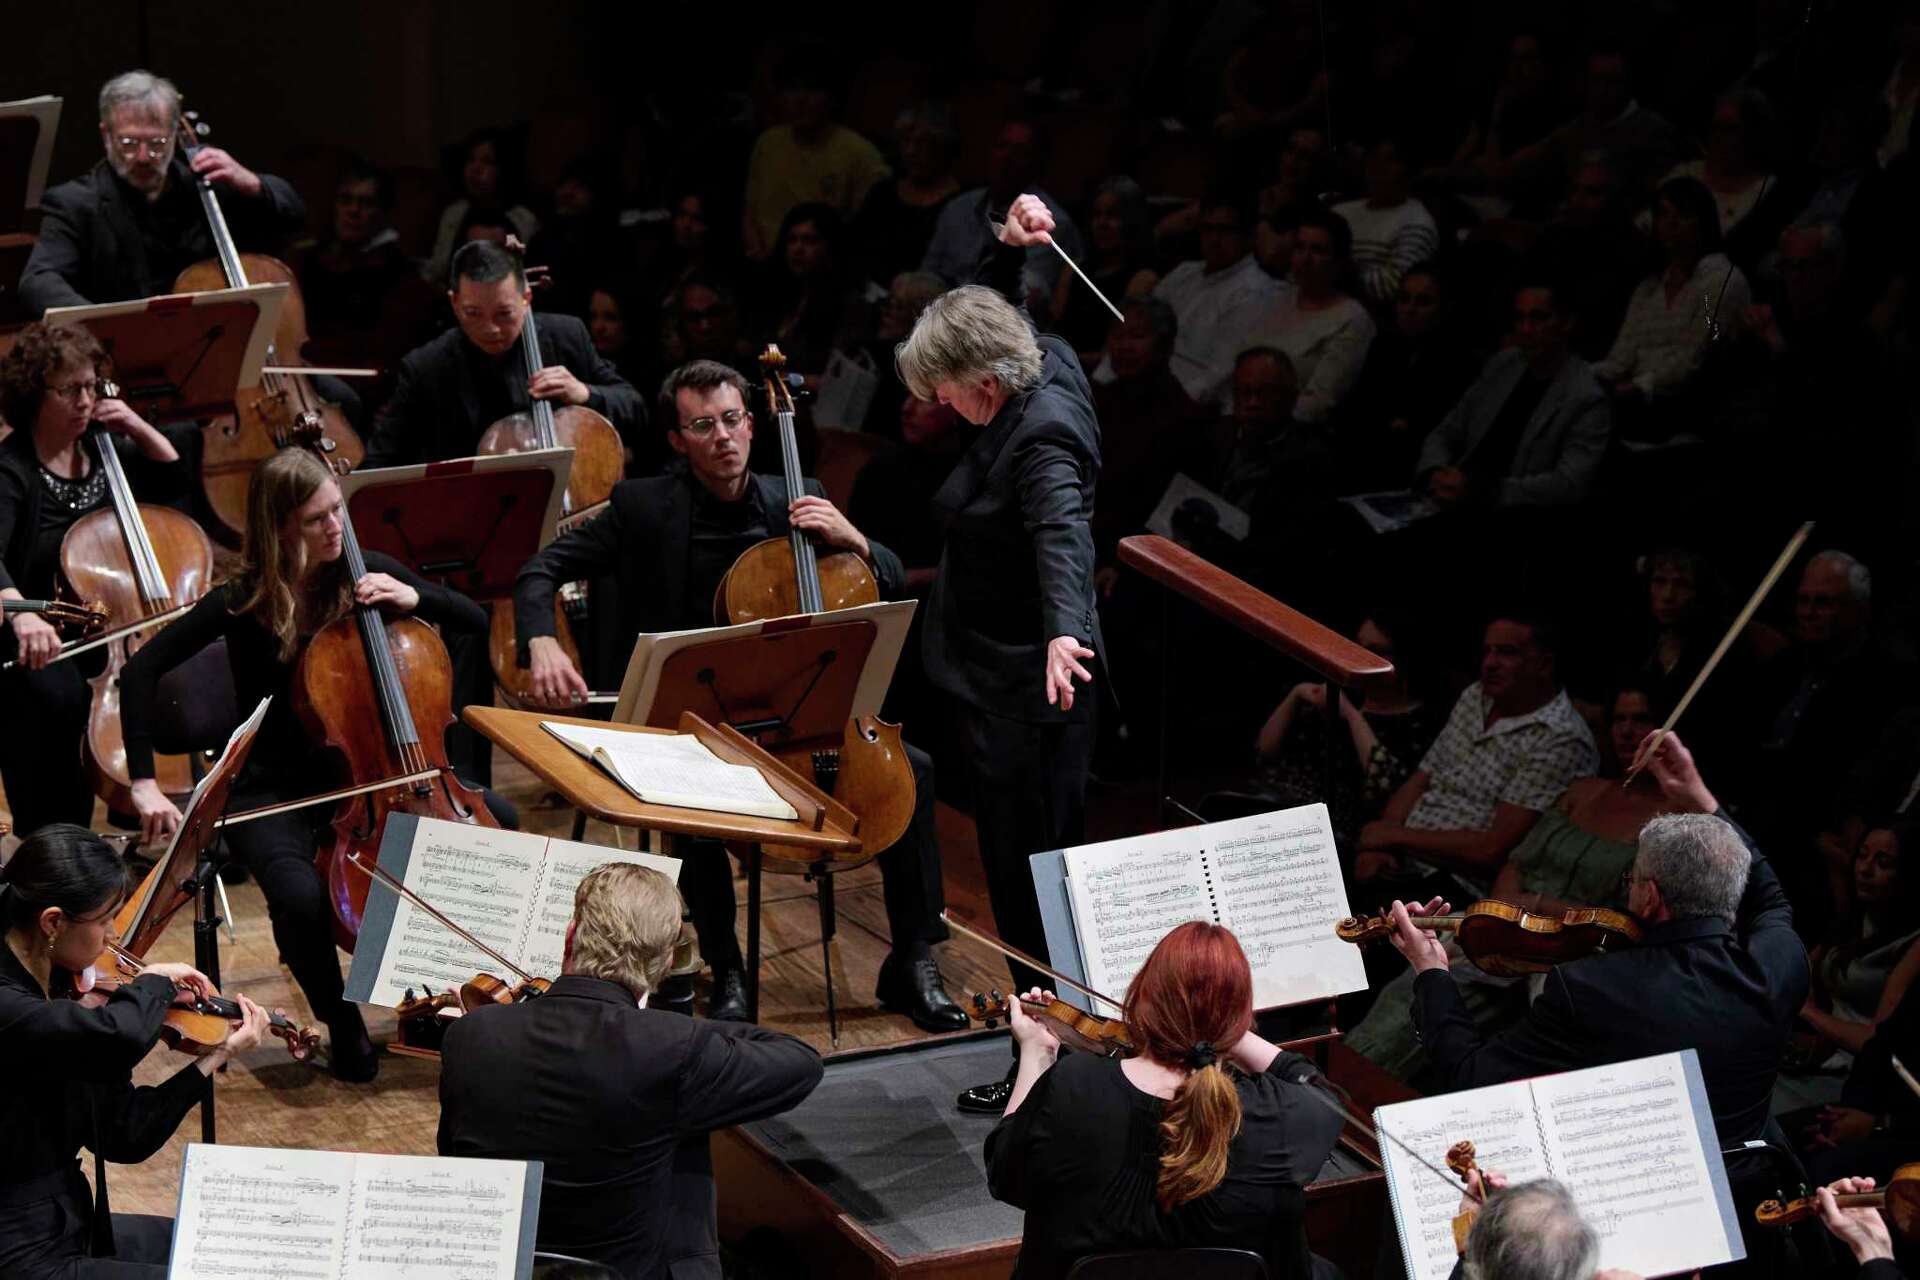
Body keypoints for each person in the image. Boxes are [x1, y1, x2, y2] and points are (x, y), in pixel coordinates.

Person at [511, 360, 965, 1032]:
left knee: (914, 773)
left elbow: (890, 585)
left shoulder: (799, 497)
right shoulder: (644, 507)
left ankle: (913, 958)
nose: (722, 436)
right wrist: (539, 641)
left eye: (731, 420)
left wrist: (858, 541)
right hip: (702, 726)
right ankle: (725, 965)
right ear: (677, 440)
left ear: (753, 426)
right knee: (691, 805)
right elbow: (541, 566)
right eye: (702, 425)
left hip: (800, 717)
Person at [116, 447, 500, 1082]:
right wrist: (144, 781)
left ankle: (458, 1002)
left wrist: (411, 594)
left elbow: (474, 619)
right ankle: (340, 1020)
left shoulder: (366, 574)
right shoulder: (243, 602)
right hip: (273, 792)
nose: (336, 528)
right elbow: (140, 671)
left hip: (374, 781)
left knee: (494, 827)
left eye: (338, 509)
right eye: (319, 518)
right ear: (282, 526)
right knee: (298, 894)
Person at [894, 194, 1103, 1110]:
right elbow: (998, 315)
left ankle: (1050, 1052)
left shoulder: (1046, 433)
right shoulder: (1038, 357)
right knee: (1016, 871)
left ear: (983, 383)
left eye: (945, 392)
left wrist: (1068, 628)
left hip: (1030, 684)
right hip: (982, 660)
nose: (939, 407)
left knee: (1029, 885)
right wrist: (1010, 250)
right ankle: (1046, 1038)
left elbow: (1064, 530)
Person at [1386, 731, 1809, 1154]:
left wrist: (1432, 971)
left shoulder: (1591, 988)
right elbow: (1768, 890)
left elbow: (1472, 1077)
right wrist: (1697, 793)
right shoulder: (1777, 964)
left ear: (1650, 896)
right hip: (1747, 1185)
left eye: (1633, 879)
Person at [438, 862, 822, 1279]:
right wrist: (677, 1028)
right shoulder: (669, 1047)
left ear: (570, 937)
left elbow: (454, 1156)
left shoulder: (469, 1034)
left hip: (502, 1264)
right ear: (662, 965)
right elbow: (802, 1063)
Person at [1347, 683, 1675, 1081]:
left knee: (1550, 1017)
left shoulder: (1673, 821)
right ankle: (1348, 1082)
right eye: (1619, 719)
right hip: (1511, 919)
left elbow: (1629, 916)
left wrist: (1536, 905)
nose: (1626, 731)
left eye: (1640, 720)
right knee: (1418, 984)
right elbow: (1517, 858)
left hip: (1582, 953)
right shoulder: (1583, 791)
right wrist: (1505, 907)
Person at [985, 922, 1343, 1280]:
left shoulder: (1074, 1084)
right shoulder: (1277, 1114)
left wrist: (1037, 1051)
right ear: (1241, 1020)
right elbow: (1313, 1085)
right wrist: (1226, 1030)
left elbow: (1005, 1173)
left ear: (1141, 997)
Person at [0, 824, 269, 1278]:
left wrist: (214, 1057)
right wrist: (154, 983)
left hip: (70, 1218)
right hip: (20, 1248)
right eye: (105, 922)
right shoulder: (13, 1007)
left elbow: (125, 1133)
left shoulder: (60, 990)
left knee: (217, 1254)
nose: (111, 941)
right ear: (52, 922)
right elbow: (116, 1037)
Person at [0, 322, 189, 835]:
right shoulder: (12, 470)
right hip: (38, 636)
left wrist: (135, 424)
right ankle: (53, 837)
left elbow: (175, 485)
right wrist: (22, 614)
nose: (85, 401)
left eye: (92, 386)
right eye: (70, 389)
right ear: (34, 394)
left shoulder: (105, 453)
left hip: (108, 628)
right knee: (58, 696)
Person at [1353, 613, 1598, 900]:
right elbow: (1421, 779)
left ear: (1543, 664)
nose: (1490, 663)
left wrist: (1390, 836)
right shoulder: (1476, 695)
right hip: (1401, 860)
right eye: (1487, 651)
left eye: (1507, 653)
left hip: (1457, 885)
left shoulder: (1560, 737)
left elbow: (1491, 850)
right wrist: (1378, 848)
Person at [19, 70, 305, 314]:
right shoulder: (75, 204)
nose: (143, 157)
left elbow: (294, 216)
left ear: (173, 135)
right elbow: (38, 281)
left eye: (157, 143)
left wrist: (253, 183)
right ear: (105, 135)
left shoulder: (207, 183)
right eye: (128, 143)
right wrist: (103, 328)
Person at [363, 239, 645, 467]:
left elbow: (635, 409)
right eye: (473, 313)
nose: (491, 329)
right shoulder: (426, 367)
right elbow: (382, 459)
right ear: (455, 302)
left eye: (504, 313)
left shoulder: (566, 336)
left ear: (527, 299)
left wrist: (584, 393)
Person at [1415, 280, 1611, 511]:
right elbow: (1448, 429)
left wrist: (1481, 491)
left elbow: (1569, 484)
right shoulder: (1503, 365)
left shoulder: (1586, 397)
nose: (1526, 329)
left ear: (1567, 322)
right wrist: (1435, 471)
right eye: (1520, 319)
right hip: (1455, 497)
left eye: (1537, 318)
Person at [1592, 177, 1751, 439]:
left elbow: (1694, 359)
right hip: (1633, 401)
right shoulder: (1648, 289)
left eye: (1683, 215)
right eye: (1663, 214)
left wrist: (1636, 387)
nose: (1671, 224)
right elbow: (1620, 359)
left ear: (1703, 221)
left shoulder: (1719, 282)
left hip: (1689, 407)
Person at [1099, 191, 1278, 409]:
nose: (1214, 239)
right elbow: (1131, 329)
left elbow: (1219, 373)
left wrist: (1169, 407)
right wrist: (1099, 384)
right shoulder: (1184, 273)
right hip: (1135, 392)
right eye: (1208, 229)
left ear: (1249, 236)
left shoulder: (1255, 291)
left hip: (1192, 408)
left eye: (1225, 230)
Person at [920, 120, 1082, 314]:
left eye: (1020, 152)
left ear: (1037, 164)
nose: (1006, 157)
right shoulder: (959, 207)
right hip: (942, 311)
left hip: (999, 320)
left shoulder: (1050, 221)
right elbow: (928, 273)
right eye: (1001, 147)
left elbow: (1027, 296)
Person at [296, 158, 439, 378]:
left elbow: (386, 354)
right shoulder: (311, 259)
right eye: (346, 200)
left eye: (366, 203)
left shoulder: (399, 273)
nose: (353, 210)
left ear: (383, 212)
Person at [741, 52, 890, 262]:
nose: (801, 100)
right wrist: (758, 255)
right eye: (792, 89)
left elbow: (870, 227)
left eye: (811, 89)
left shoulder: (861, 154)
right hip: (766, 264)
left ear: (832, 97)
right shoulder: (768, 142)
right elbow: (750, 209)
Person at [1246, 208, 1378, 427]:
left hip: (1288, 433)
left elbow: (1317, 403)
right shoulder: (1279, 296)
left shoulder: (1353, 320)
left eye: (1318, 250)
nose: (1305, 259)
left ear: (1339, 261)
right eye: (1300, 247)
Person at [853, 102, 962, 285]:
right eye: (906, 142)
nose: (912, 151)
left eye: (922, 143)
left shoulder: (961, 205)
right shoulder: (882, 193)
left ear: (943, 147)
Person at [422, 127, 538, 287]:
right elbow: (439, 268)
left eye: (488, 162)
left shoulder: (523, 219)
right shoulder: (454, 213)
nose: (475, 169)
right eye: (471, 160)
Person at [1332, 137, 1440, 309]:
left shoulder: (1416, 221)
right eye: (1373, 158)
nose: (1378, 168)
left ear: (1409, 170)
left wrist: (1332, 272)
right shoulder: (1340, 211)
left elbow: (1394, 287)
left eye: (1390, 160)